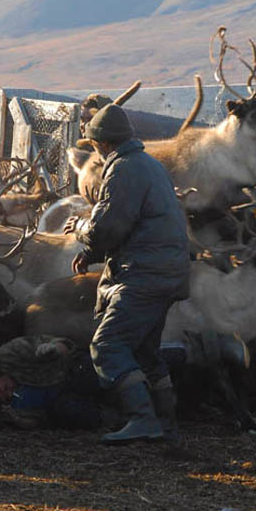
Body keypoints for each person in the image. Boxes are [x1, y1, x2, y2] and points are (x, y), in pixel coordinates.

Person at [64, 103, 190, 444]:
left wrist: (80, 229)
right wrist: (91, 254)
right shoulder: (149, 165)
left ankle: (143, 419)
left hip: (143, 275)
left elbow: (108, 227)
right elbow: (129, 222)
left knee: (108, 346)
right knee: (146, 353)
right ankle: (167, 424)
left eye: (94, 145)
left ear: (102, 144)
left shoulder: (122, 169)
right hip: (166, 272)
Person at [0, 335, 106, 430]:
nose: (9, 393)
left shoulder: (11, 353)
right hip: (62, 402)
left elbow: (63, 344)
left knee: (92, 375)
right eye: (4, 397)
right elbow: (38, 421)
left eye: (5, 387)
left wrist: (54, 348)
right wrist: (19, 420)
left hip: (71, 370)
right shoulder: (0, 412)